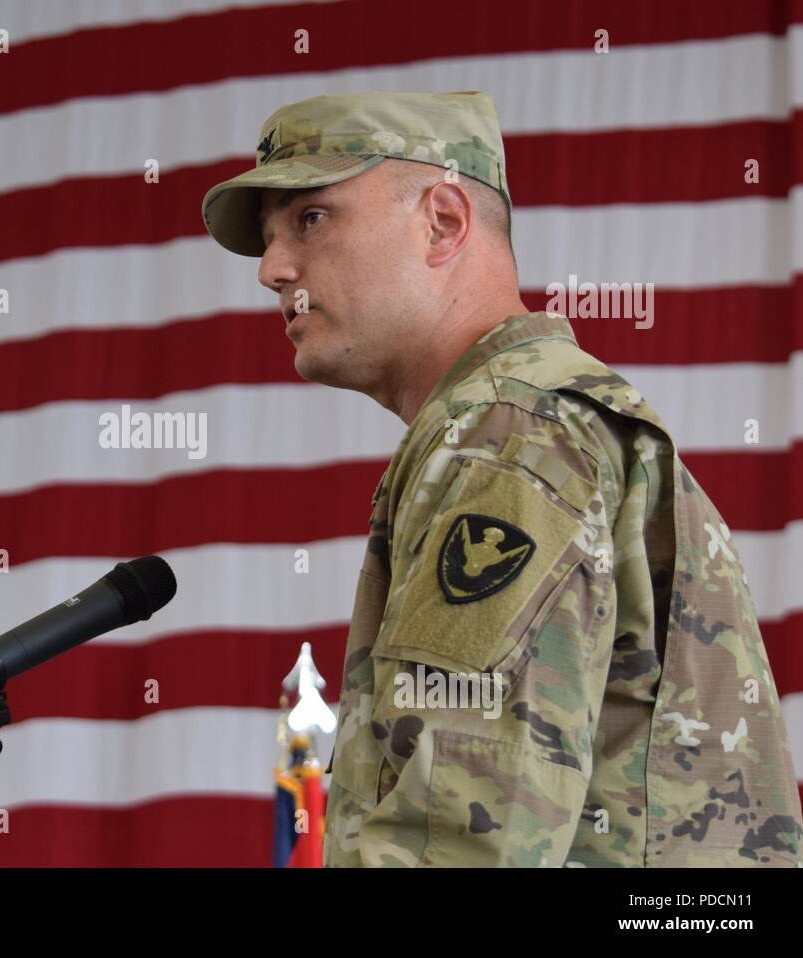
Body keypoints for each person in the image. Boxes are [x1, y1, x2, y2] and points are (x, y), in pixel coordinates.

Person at [200, 90, 802, 866]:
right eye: (270, 239)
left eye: (311, 219)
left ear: (444, 222)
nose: (274, 270)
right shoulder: (514, 422)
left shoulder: (508, 435)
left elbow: (460, 840)